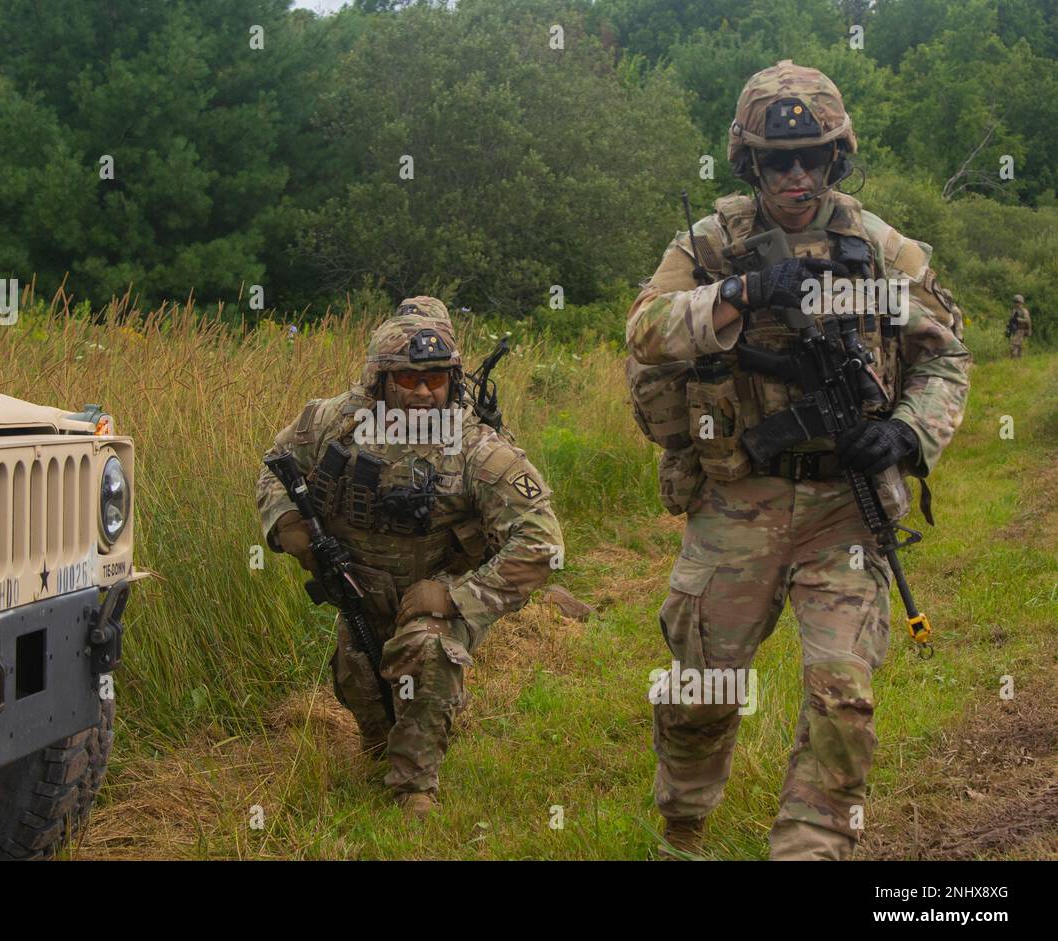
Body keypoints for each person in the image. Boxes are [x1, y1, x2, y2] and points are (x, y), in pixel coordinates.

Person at [625, 60, 970, 860]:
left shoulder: (878, 247)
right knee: (702, 692)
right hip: (736, 499)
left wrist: (909, 435)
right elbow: (643, 332)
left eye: (812, 157)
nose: (795, 175)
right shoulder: (712, 246)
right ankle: (683, 820)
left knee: (843, 697)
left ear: (835, 159)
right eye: (777, 161)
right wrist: (742, 293)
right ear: (750, 164)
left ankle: (811, 845)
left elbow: (946, 357)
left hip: (843, 507)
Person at [257, 297, 563, 818]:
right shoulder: (333, 422)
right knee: (359, 680)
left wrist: (453, 596)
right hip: (360, 586)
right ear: (379, 381)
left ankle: (414, 787)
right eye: (408, 379)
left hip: (436, 595)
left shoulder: (477, 450)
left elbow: (543, 544)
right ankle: (387, 743)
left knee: (424, 654)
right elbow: (274, 467)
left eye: (436, 379)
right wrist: (287, 525)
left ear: (453, 380)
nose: (423, 392)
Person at [1007, 294, 1032, 358]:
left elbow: (1027, 320)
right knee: (1018, 345)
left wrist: (1018, 319)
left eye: (1017, 302)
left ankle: (1014, 360)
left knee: (1014, 345)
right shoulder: (1014, 310)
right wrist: (1008, 326)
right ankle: (1019, 360)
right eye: (1015, 302)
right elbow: (1011, 319)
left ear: (1021, 302)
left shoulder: (1024, 311)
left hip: (1021, 329)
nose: (1016, 304)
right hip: (1015, 329)